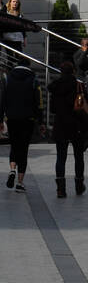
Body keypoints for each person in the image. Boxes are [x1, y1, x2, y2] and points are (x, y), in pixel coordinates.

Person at [0, 56, 46, 192]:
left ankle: (12, 169)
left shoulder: (7, 78)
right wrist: (41, 121)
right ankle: (20, 183)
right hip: (28, 119)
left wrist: (1, 119)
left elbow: (2, 100)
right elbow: (39, 102)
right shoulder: (34, 79)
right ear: (28, 66)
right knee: (23, 149)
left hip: (12, 118)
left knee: (14, 145)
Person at [49, 60, 88, 197]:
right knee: (78, 156)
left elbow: (53, 109)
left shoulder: (55, 87)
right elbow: (86, 104)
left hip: (60, 124)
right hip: (76, 124)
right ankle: (79, 184)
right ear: (73, 71)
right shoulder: (78, 86)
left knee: (60, 157)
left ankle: (60, 189)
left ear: (61, 72)